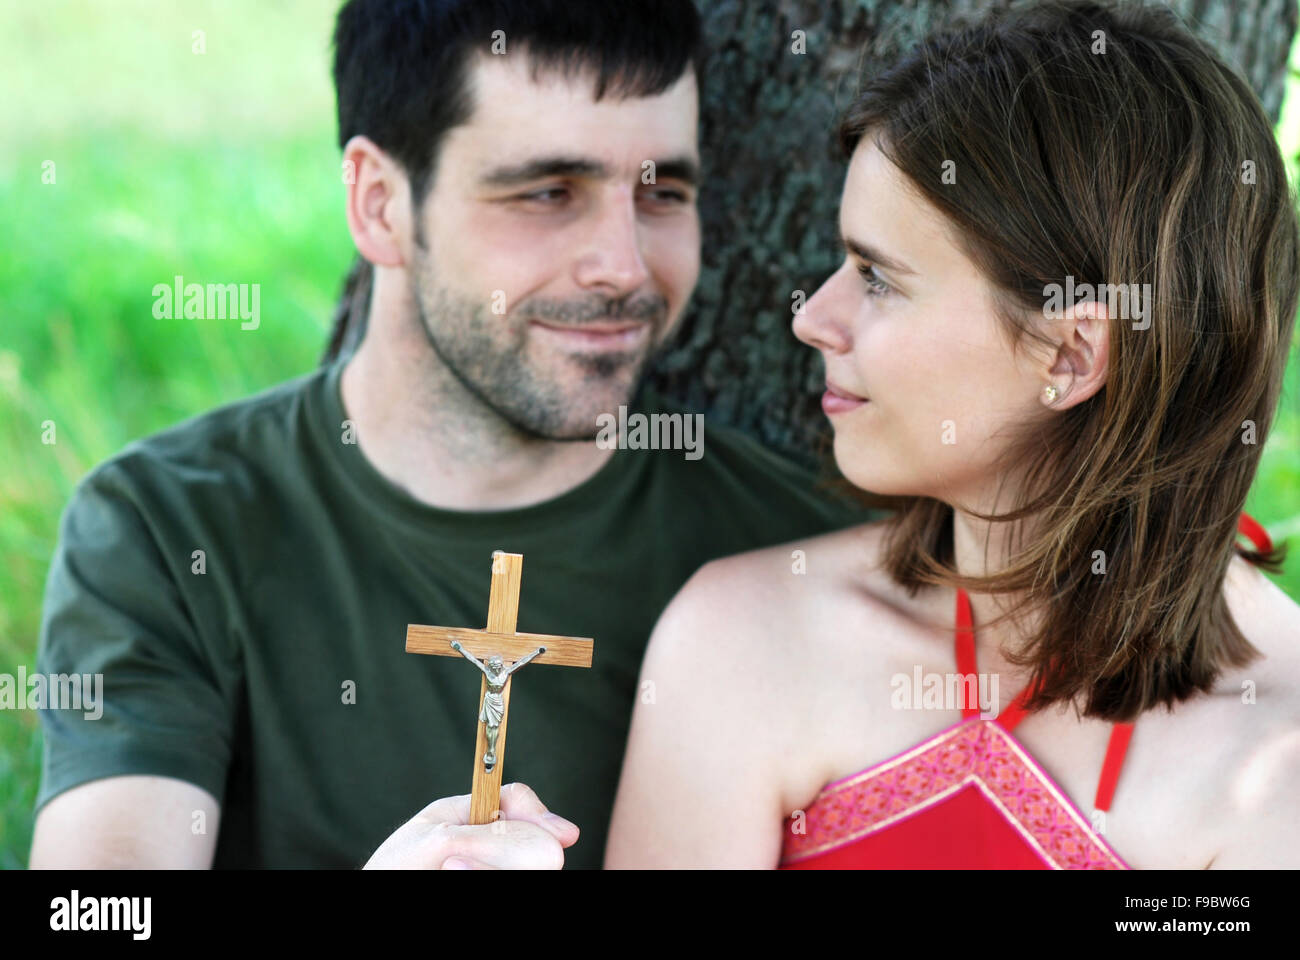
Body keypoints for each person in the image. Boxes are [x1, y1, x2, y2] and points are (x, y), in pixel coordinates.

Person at [28, 0, 869, 870]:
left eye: (662, 193)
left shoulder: (804, 548)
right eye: (548, 193)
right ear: (382, 205)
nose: (623, 265)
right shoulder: (170, 530)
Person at [605, 0, 1300, 869]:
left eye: (878, 279)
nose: (813, 319)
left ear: (1072, 352)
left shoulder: (1280, 769)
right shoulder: (744, 641)